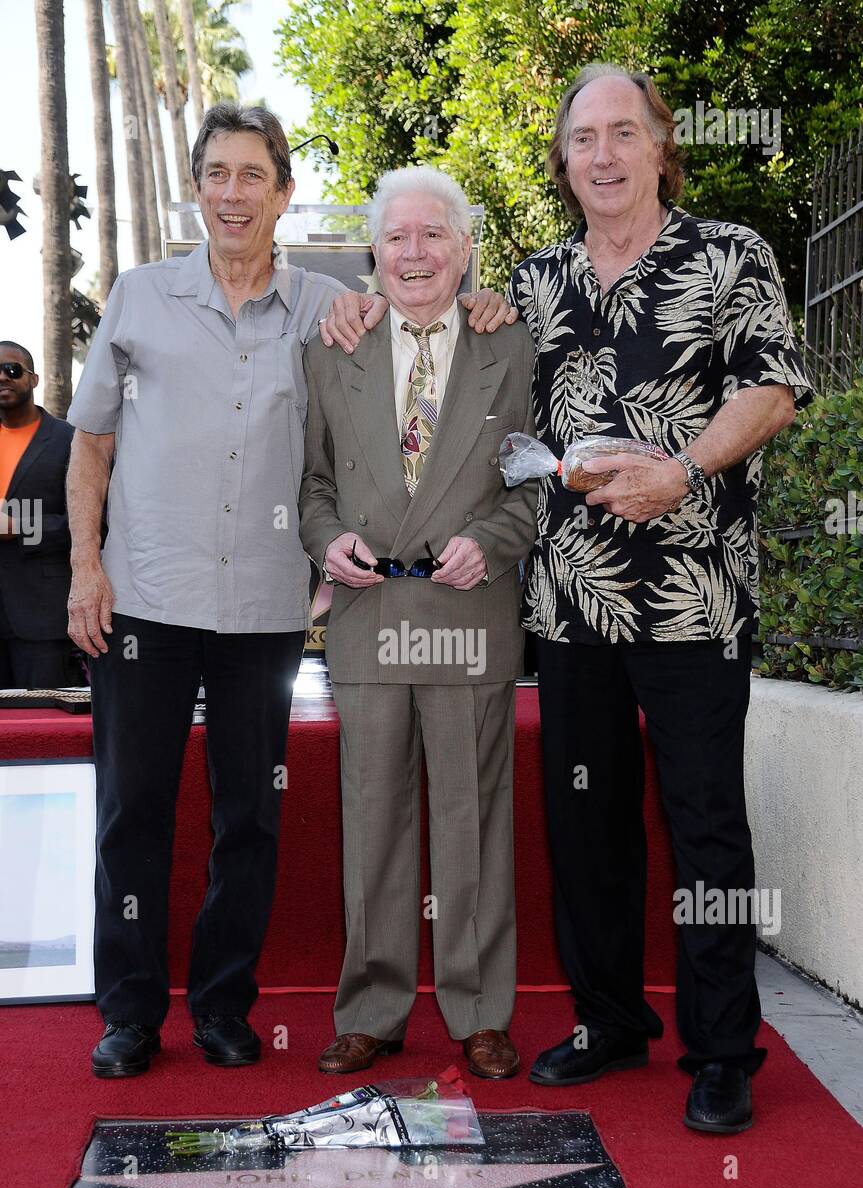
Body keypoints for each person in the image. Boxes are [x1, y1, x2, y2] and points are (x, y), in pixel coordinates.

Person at [66, 103, 514, 1079]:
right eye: (217, 175)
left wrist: (483, 301)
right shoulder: (138, 298)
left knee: (249, 816)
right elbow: (90, 443)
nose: (233, 194)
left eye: (252, 177)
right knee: (130, 812)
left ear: (283, 194)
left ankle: (224, 1004)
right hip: (143, 597)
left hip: (265, 610)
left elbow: (418, 319)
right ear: (197, 188)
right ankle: (130, 1013)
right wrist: (84, 569)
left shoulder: (326, 309)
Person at [507, 65, 813, 1131]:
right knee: (584, 820)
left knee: (705, 823)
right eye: (582, 137)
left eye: (622, 133)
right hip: (569, 604)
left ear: (658, 145)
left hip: (695, 596)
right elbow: (487, 405)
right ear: (563, 157)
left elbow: (770, 388)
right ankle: (605, 1019)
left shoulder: (730, 255)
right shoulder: (532, 280)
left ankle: (722, 1045)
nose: (602, 154)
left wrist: (681, 469)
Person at [299, 167, 538, 1080]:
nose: (413, 253)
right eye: (395, 237)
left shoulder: (509, 344)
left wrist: (492, 541)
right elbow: (312, 487)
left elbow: (532, 478)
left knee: (473, 816)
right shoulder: (332, 349)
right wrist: (326, 543)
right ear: (373, 251)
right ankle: (372, 1009)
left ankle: (480, 1011)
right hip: (367, 616)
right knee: (373, 818)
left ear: (464, 249)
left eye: (432, 235)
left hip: (468, 614)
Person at [0, 342, 77, 688]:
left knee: (42, 726)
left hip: (41, 618)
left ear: (33, 379)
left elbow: (93, 523)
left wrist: (20, 526)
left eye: (12, 370)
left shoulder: (69, 441)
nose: (3, 377)